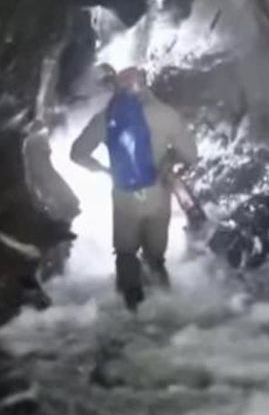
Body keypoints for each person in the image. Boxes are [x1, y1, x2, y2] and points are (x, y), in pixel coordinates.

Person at [70, 65, 197, 309]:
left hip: (124, 197)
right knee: (156, 259)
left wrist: (104, 170)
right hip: (157, 194)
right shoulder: (165, 114)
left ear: (118, 88)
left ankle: (131, 314)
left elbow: (77, 153)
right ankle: (168, 312)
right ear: (145, 83)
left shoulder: (108, 116)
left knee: (126, 255)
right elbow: (190, 155)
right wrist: (169, 161)